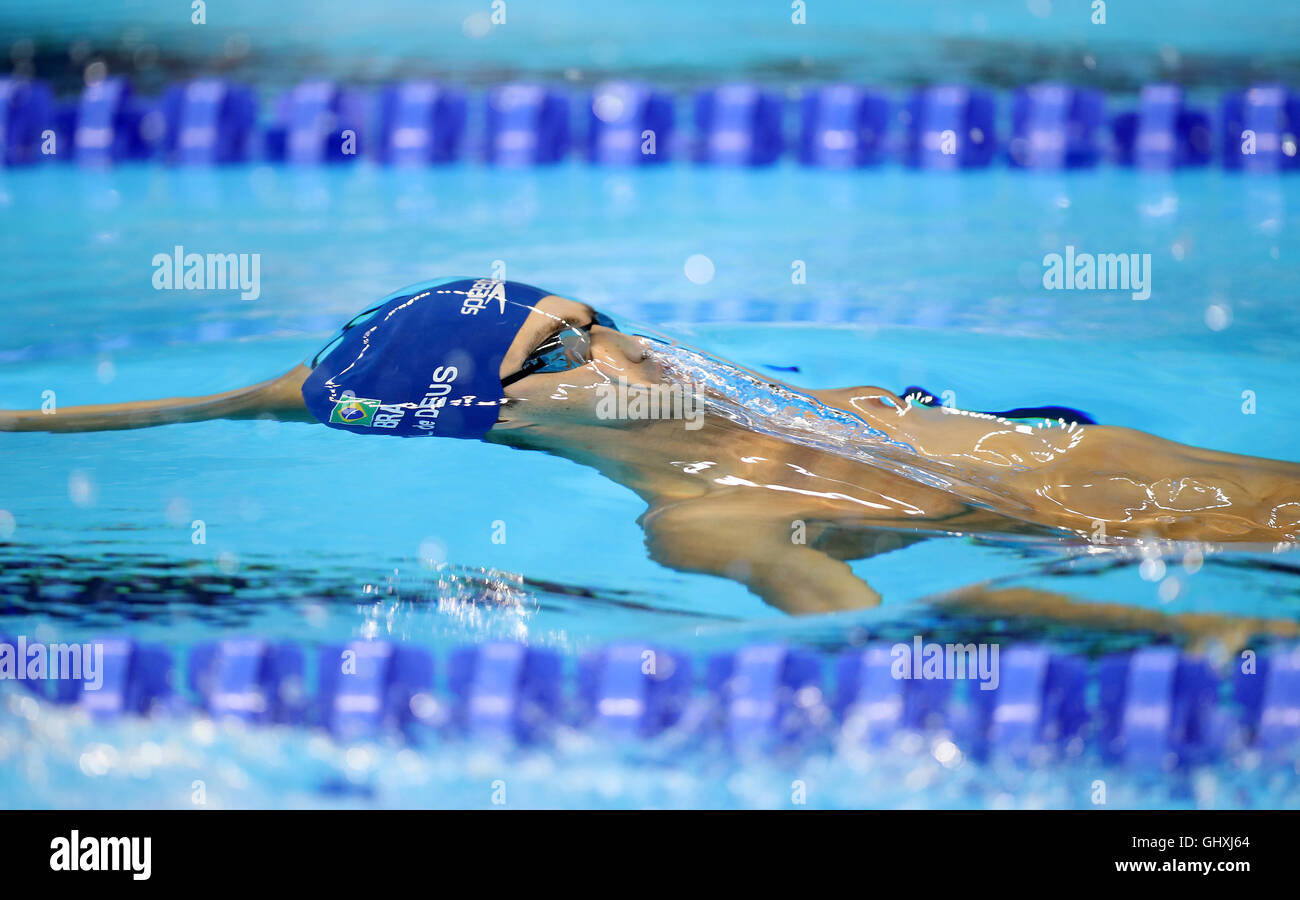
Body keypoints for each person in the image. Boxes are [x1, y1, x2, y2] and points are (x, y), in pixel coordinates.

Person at [4, 277, 1297, 639]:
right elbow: (857, 646)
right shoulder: (709, 527)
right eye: (561, 358)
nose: (617, 355)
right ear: (505, 416)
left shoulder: (790, 400)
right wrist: (1023, 621)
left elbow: (263, 398)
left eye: (593, 321)